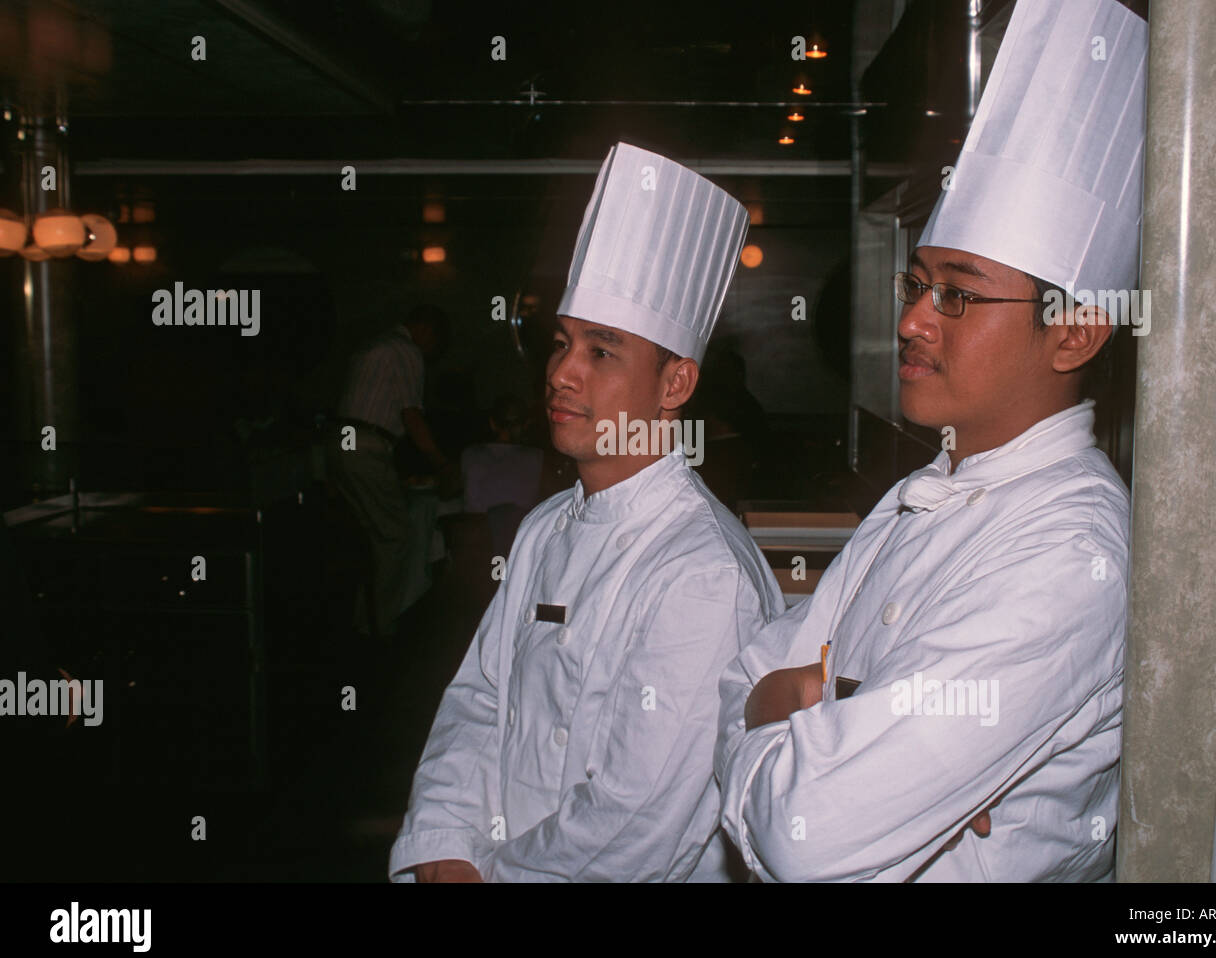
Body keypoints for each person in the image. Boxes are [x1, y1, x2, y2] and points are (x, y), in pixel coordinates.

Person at [716, 0, 1145, 881]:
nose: (910, 319)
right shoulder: (931, 484)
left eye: (958, 293)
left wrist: (789, 717)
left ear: (1075, 331)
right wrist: (784, 710)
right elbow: (748, 677)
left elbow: (807, 834)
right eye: (917, 283)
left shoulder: (1068, 551)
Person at [389, 142, 783, 882]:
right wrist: (443, 843)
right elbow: (480, 702)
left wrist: (491, 874)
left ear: (676, 383)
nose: (561, 371)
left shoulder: (703, 574)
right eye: (564, 342)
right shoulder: (544, 528)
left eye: (603, 352)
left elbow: (634, 829)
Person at [329, 305, 448, 638]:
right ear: (426, 330)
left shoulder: (375, 344)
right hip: (364, 445)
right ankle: (384, 626)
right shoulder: (405, 349)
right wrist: (441, 462)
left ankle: (363, 621)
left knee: (373, 536)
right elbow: (411, 415)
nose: (432, 351)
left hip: (341, 441)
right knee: (396, 535)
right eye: (434, 342)